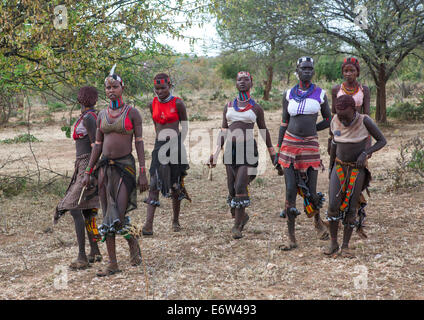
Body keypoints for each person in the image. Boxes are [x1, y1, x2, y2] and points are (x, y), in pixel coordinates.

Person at [82, 71, 149, 276]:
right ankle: (113, 263)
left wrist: (142, 172)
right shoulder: (101, 115)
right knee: (107, 215)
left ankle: (133, 243)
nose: (111, 91)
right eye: (108, 87)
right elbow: (97, 146)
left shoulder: (132, 113)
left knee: (118, 215)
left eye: (115, 87)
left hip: (125, 168)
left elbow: (139, 142)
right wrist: (88, 171)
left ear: (122, 88)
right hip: (105, 169)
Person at [209, 71, 283, 239]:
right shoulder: (228, 106)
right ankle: (242, 216)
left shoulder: (256, 108)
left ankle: (237, 227)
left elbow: (264, 131)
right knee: (231, 189)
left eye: (246, 79)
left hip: (248, 149)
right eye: (239, 79)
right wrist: (214, 153)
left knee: (240, 187)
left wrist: (273, 155)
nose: (242, 82)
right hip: (230, 150)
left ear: (252, 82)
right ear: (235, 83)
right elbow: (223, 130)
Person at [275, 56, 331, 250]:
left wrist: (312, 129)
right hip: (289, 145)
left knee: (311, 190)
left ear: (313, 71)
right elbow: (284, 123)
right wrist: (278, 149)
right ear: (297, 71)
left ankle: (317, 222)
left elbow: (328, 120)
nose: (306, 71)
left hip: (310, 146)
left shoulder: (320, 94)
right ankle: (291, 236)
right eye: (303, 68)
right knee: (290, 188)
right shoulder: (288, 94)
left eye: (309, 68)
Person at [325, 95, 386, 257]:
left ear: (354, 109)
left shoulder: (364, 121)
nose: (342, 119)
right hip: (338, 167)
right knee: (332, 205)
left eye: (345, 115)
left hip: (356, 169)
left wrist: (365, 153)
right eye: (339, 115)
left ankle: (345, 246)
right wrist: (331, 168)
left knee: (351, 207)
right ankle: (333, 243)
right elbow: (333, 145)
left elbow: (382, 140)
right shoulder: (335, 120)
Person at [53, 86, 102, 270]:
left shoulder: (89, 118)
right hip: (83, 164)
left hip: (87, 164)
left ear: (79, 99)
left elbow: (95, 144)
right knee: (87, 210)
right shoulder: (90, 116)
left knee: (73, 207)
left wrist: (90, 170)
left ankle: (82, 256)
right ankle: (95, 251)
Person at [141, 73, 191, 236]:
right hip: (159, 145)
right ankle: (148, 225)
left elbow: (185, 126)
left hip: (175, 144)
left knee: (175, 184)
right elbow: (156, 125)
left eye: (163, 88)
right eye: (157, 88)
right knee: (154, 182)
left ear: (170, 86)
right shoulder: (152, 104)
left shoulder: (178, 103)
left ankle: (175, 220)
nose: (160, 91)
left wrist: (177, 143)